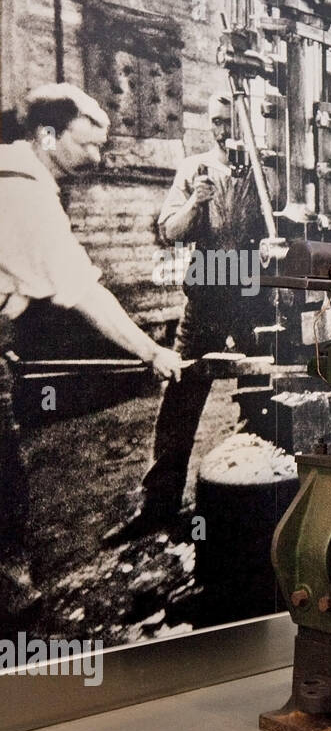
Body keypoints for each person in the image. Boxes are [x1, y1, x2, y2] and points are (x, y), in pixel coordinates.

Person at [0, 83, 183, 618]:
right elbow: (84, 292)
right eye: (86, 145)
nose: (97, 159)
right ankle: (14, 605)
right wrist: (152, 352)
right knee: (5, 479)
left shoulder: (14, 172)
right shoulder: (23, 192)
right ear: (47, 135)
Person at [110, 93, 272, 541]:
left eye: (231, 121)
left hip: (255, 295)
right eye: (217, 122)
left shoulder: (266, 171)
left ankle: (261, 488)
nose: (223, 130)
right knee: (181, 391)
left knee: (262, 387)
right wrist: (196, 204)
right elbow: (170, 232)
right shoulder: (193, 169)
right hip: (206, 296)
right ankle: (158, 504)